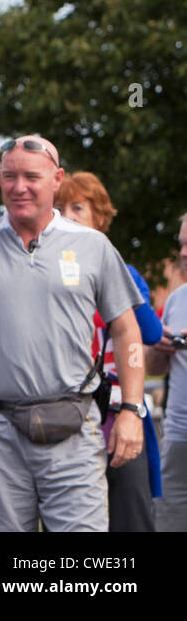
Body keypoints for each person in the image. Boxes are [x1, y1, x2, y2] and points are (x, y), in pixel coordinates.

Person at [0, 138, 145, 532]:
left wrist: (130, 411)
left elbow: (127, 329)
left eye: (32, 176)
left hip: (73, 431)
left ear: (58, 179)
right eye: (9, 176)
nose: (18, 187)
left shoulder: (92, 245)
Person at [54, 170, 163, 531]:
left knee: (130, 515)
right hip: (65, 412)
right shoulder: (46, 274)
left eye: (77, 207)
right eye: (59, 207)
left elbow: (149, 331)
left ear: (100, 218)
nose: (66, 215)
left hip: (118, 413)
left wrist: (110, 270)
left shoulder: (124, 271)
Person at [147, 212, 187, 531]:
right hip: (178, 436)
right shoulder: (176, 299)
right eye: (182, 244)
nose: (183, 253)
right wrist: (159, 350)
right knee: (169, 522)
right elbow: (156, 368)